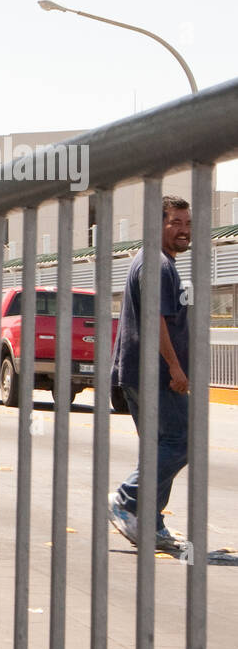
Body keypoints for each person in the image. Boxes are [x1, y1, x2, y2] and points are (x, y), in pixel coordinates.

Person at [108, 195, 192, 553]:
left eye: (187, 223)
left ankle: (150, 522)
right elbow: (154, 321)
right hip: (154, 373)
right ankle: (127, 499)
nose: (184, 231)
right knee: (179, 443)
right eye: (175, 223)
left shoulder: (158, 262)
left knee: (159, 449)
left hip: (144, 371)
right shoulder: (157, 264)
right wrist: (174, 366)